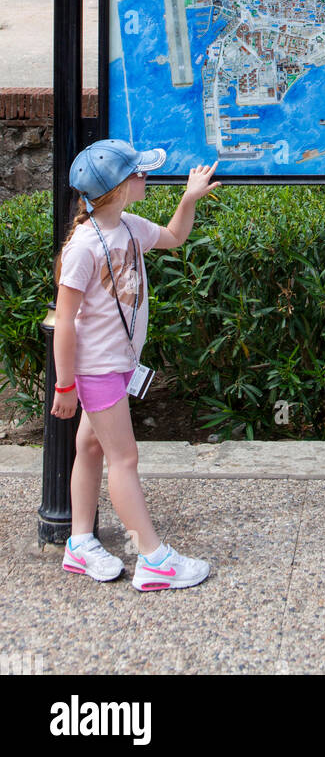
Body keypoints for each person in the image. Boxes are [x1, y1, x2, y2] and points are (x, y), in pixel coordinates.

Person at [51, 139, 219, 591]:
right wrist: (65, 385)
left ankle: (79, 543)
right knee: (124, 458)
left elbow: (174, 237)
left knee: (90, 448)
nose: (145, 177)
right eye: (139, 173)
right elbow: (64, 321)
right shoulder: (84, 247)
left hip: (121, 362)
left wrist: (189, 198)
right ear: (120, 186)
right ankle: (153, 559)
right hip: (98, 369)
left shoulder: (129, 227)